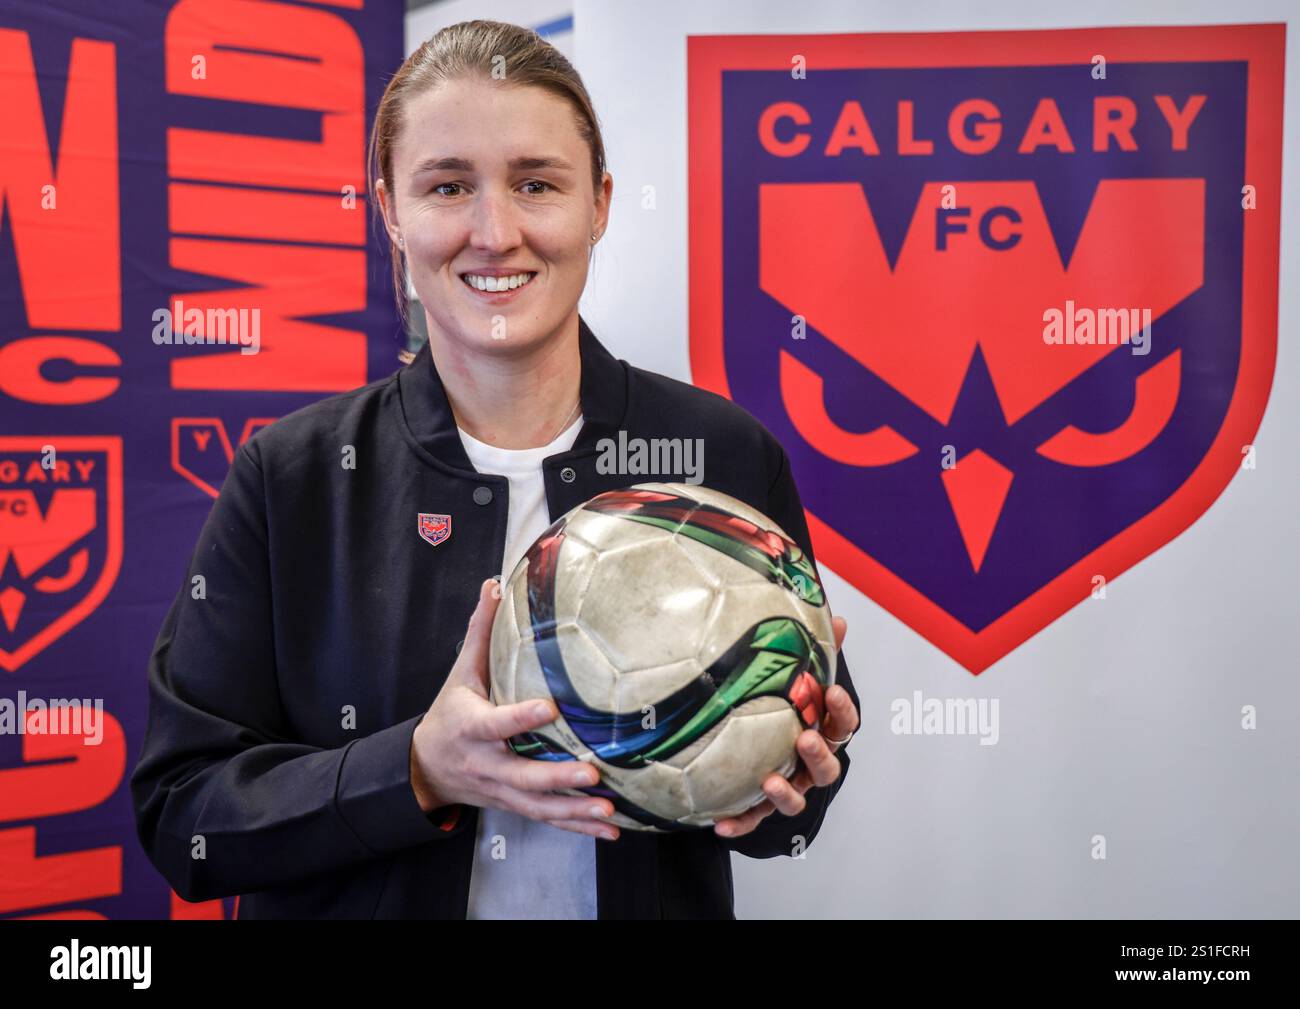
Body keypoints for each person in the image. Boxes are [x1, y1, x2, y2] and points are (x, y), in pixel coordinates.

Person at [130, 18, 860, 920]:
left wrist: (786, 787)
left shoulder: (721, 456)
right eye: (447, 186)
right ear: (390, 211)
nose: (495, 231)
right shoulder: (294, 479)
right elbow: (182, 813)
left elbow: (798, 788)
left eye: (536, 184)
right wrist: (417, 771)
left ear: (598, 202)